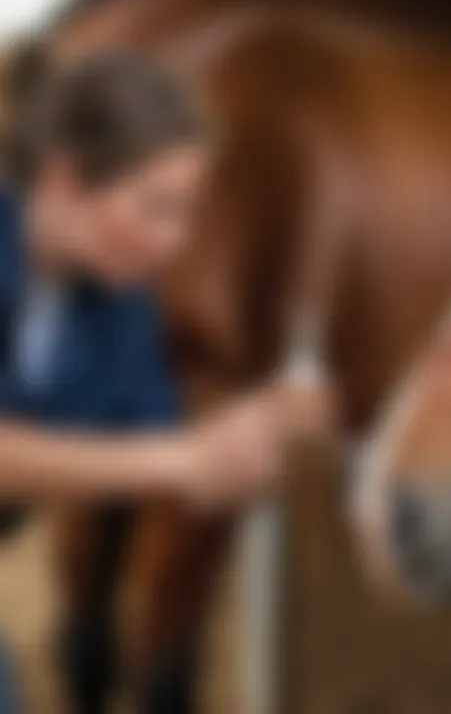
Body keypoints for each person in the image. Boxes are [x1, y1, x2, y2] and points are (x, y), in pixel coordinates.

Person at [0, 46, 331, 713]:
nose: (176, 242)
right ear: (65, 182)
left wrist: (258, 430)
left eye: (187, 212)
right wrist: (184, 461)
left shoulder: (120, 299)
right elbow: (163, 461)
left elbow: (157, 451)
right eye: (156, 207)